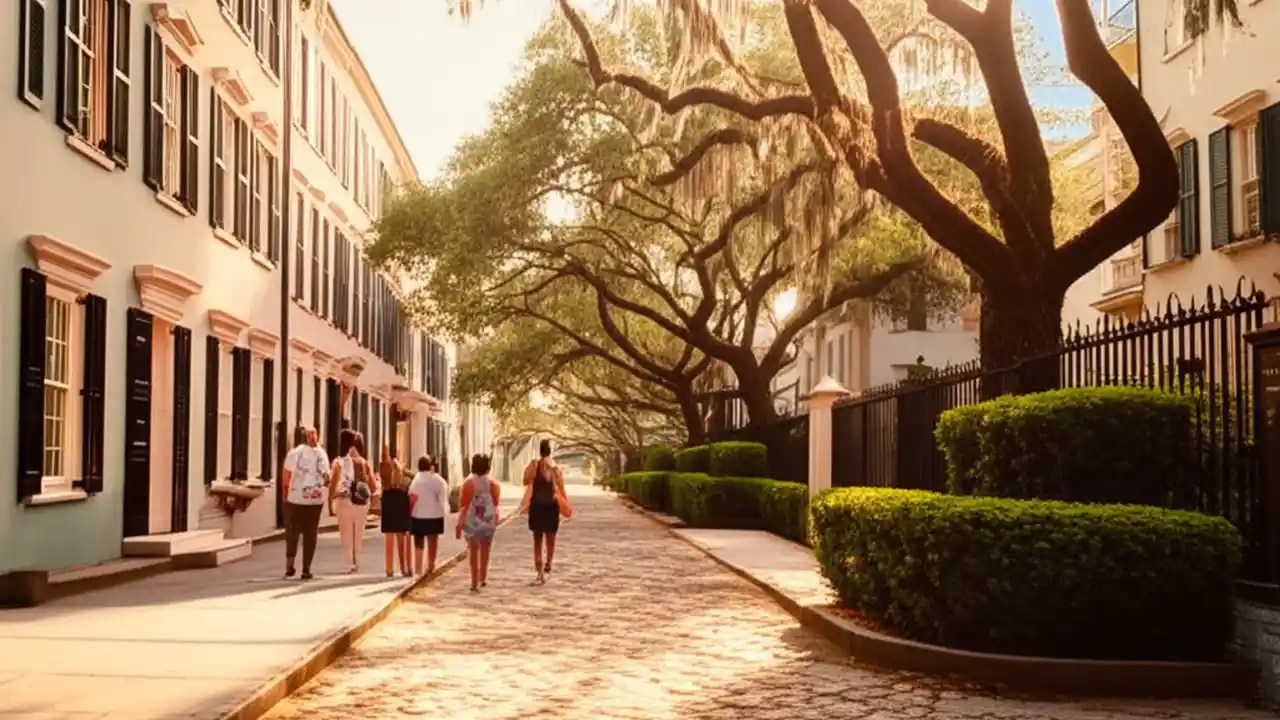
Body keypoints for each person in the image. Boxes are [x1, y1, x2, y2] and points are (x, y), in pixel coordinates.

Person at [280, 425, 329, 580]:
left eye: (314, 434)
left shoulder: (298, 454)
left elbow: (286, 476)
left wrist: (286, 495)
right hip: (308, 499)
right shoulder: (318, 454)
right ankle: (297, 566)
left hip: (300, 499)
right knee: (305, 533)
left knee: (297, 533)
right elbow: (327, 477)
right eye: (310, 434)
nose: (313, 437)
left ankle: (299, 567)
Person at [328, 429, 378, 573]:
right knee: (358, 533)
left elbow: (333, 483)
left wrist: (330, 501)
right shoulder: (364, 462)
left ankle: (350, 562)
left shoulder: (338, 462)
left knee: (346, 533)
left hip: (344, 500)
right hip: (361, 502)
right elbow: (373, 486)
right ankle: (357, 561)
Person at [522, 439, 567, 584]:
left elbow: (525, 480)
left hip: (537, 506)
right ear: (550, 451)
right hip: (551, 506)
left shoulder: (534, 465)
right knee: (551, 537)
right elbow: (560, 485)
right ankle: (549, 562)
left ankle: (539, 572)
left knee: (537, 539)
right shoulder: (555, 467)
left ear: (540, 450)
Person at [456, 454, 500, 592]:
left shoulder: (468, 482)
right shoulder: (493, 483)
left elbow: (463, 504)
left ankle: (474, 582)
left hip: (472, 519)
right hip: (488, 517)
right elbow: (496, 502)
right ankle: (483, 578)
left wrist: (459, 522)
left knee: (473, 550)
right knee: (486, 549)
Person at [408, 454, 449, 576]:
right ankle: (431, 565)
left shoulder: (416, 480)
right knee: (433, 540)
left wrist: (409, 513)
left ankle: (418, 569)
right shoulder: (437, 479)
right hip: (434, 515)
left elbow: (412, 498)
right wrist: (444, 509)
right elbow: (443, 495)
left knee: (418, 542)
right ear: (430, 466)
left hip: (418, 514)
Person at [378, 443, 411, 578]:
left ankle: (389, 568)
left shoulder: (382, 466)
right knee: (400, 535)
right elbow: (410, 476)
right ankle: (403, 568)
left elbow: (383, 480)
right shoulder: (399, 466)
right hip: (399, 496)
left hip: (387, 497)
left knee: (389, 535)